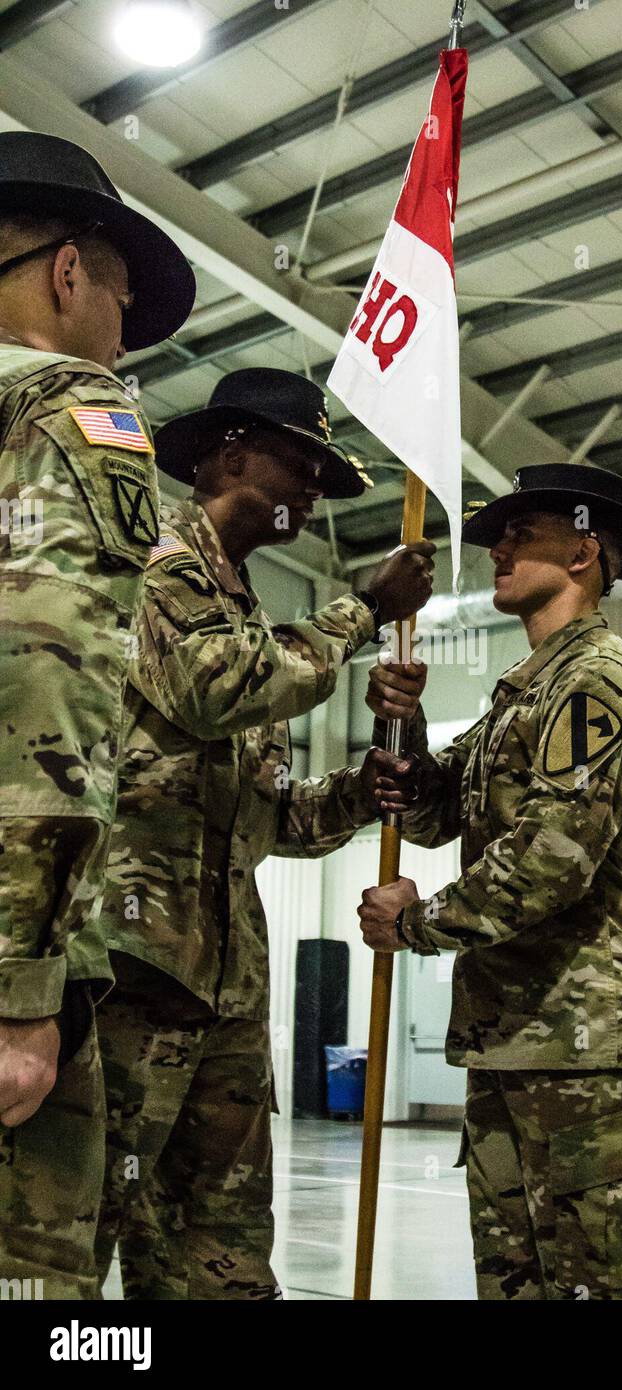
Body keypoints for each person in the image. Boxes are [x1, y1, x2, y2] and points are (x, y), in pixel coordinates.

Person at [93, 368, 433, 1299]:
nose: (316, 491)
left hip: (229, 984)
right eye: (301, 463)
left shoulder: (247, 612)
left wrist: (368, 786)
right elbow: (216, 686)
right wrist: (363, 610)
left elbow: (272, 818)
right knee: (78, 1230)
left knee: (223, 1251)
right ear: (230, 455)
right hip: (130, 972)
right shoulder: (152, 565)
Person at [357, 465, 622, 1299]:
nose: (498, 546)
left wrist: (415, 923)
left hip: (593, 1053)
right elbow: (435, 809)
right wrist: (400, 721)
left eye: (521, 532)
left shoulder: (600, 680)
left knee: (596, 1289)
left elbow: (551, 859)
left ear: (582, 552)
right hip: (514, 1041)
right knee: (513, 1286)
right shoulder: (523, 693)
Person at [0, 131, 195, 1299]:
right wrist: (20, 990)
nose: (121, 329)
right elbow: (45, 682)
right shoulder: (68, 403)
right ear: (69, 273)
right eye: (120, 292)